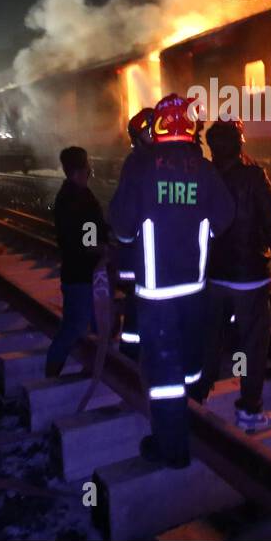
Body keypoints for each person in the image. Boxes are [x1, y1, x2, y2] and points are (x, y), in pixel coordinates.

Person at [108, 94, 234, 468]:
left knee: (164, 375)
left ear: (159, 126)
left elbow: (121, 228)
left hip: (156, 295)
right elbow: (225, 216)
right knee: (191, 365)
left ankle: (173, 450)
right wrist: (201, 230)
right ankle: (191, 417)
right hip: (195, 291)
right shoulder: (204, 169)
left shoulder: (141, 167)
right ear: (190, 127)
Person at [198, 119, 271, 433]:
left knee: (210, 341)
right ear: (239, 144)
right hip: (249, 277)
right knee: (253, 345)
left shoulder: (205, 177)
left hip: (214, 277)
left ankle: (197, 398)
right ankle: (249, 412)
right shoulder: (253, 176)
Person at [45, 147, 107, 377]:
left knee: (96, 324)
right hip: (83, 275)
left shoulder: (70, 195)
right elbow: (88, 242)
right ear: (82, 169)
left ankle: (94, 369)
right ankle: (52, 373)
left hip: (78, 273)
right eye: (87, 164)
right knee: (74, 326)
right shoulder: (80, 199)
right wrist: (107, 249)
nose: (90, 169)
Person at [115, 108, 156, 357]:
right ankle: (132, 355)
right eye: (150, 131)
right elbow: (125, 217)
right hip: (140, 257)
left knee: (141, 306)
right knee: (138, 306)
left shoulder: (142, 162)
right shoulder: (139, 163)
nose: (156, 135)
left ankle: (134, 351)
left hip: (143, 256)